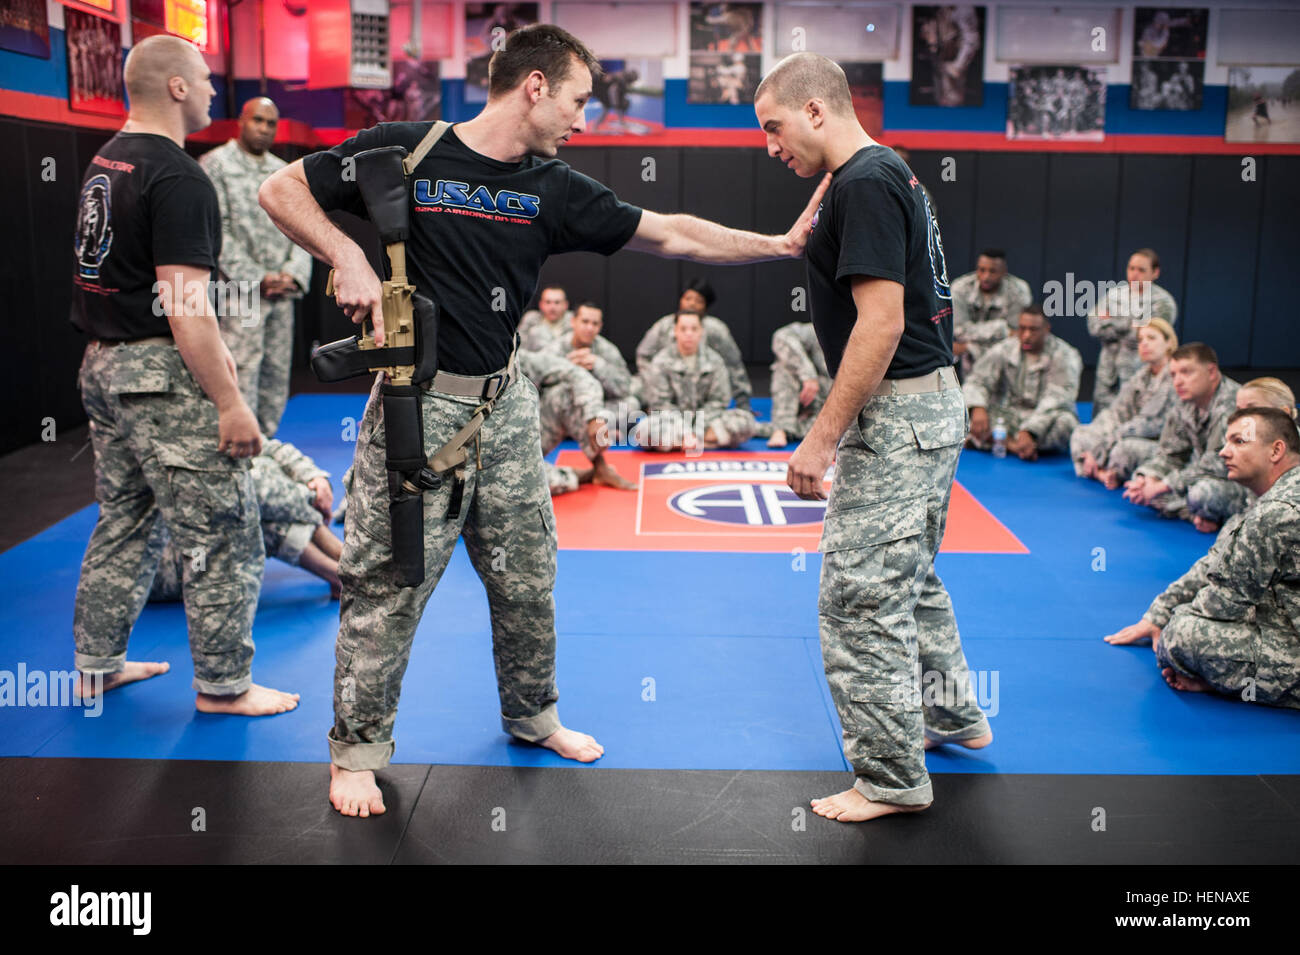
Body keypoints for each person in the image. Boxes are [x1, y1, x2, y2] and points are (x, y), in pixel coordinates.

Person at [259, 23, 827, 817]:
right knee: (387, 582)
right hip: (417, 405)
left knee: (527, 576)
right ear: (535, 86)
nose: (583, 120)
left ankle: (533, 713)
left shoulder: (551, 187)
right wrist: (344, 255)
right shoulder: (406, 150)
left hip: (505, 402)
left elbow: (670, 230)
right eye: (578, 100)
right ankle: (356, 752)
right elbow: (281, 189)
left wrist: (780, 243)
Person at [755, 52, 991, 824]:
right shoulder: (881, 173)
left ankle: (891, 778)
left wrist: (821, 439)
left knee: (859, 597)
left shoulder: (863, 182)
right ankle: (954, 713)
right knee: (911, 578)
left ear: (815, 109)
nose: (770, 146)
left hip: (898, 416)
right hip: (930, 409)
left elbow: (881, 323)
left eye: (774, 127)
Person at [70, 35, 298, 716]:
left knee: (126, 516)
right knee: (224, 527)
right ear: (175, 87)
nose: (210, 90)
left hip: (102, 365)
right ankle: (225, 687)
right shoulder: (178, 175)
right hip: (157, 373)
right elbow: (185, 305)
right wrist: (230, 400)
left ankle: (96, 665)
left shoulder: (107, 162)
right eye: (203, 79)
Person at [1104, 407, 1300, 708]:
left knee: (1181, 636)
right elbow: (1218, 563)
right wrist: (1161, 611)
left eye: (1238, 441)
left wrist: (1173, 618)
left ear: (1276, 450)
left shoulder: (1275, 512)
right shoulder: (1280, 494)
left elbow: (1223, 604)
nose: (1224, 452)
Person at [198, 97, 314, 437]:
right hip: (242, 296)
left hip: (281, 295)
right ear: (241, 121)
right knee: (242, 373)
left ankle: (267, 447)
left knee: (276, 376)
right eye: (257, 120)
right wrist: (257, 278)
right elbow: (216, 231)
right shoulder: (215, 165)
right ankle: (242, 450)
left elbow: (303, 228)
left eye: (270, 123)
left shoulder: (284, 172)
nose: (264, 129)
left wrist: (292, 275)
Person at [149, 438, 341, 601]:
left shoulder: (198, 414)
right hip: (166, 563)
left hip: (201, 534)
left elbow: (266, 446)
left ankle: (341, 572)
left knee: (255, 475)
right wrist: (312, 500)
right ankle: (344, 568)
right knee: (241, 492)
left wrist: (314, 478)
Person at [1125, 343, 1248, 533]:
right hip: (1197, 474)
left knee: (1200, 494)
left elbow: (1216, 466)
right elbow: (1170, 454)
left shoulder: (1232, 405)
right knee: (1144, 478)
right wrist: (1147, 479)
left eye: (1186, 372)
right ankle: (1195, 513)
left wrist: (1164, 485)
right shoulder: (1186, 401)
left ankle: (1196, 511)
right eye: (1173, 374)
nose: (1178, 381)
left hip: (1240, 483)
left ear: (1211, 372)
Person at [963, 305, 1082, 460]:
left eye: (1033, 330)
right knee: (970, 417)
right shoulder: (1005, 348)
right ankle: (1016, 446)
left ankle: (999, 442)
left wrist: (1030, 431)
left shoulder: (1065, 355)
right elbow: (977, 380)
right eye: (1022, 328)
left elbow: (1058, 399)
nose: (1026, 335)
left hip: (1044, 417)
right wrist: (978, 408)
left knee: (1066, 425)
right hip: (1010, 415)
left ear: (1046, 329)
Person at [1072, 317, 1178, 488]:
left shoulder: (1175, 377)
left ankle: (1100, 469)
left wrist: (1103, 446)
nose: (1144, 344)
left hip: (1159, 443)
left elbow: (1148, 425)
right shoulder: (1141, 376)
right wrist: (1098, 435)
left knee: (1123, 450)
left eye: (1151, 338)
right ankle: (1101, 473)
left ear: (1169, 343)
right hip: (1124, 435)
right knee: (1081, 433)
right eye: (1140, 340)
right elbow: (1115, 412)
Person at [517, 346, 637, 493]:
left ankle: (600, 468)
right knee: (524, 484)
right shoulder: (558, 344)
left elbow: (579, 375)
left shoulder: (518, 358)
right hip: (497, 456)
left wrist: (593, 417)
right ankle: (575, 475)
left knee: (565, 394)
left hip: (527, 436)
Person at [636, 310, 757, 451]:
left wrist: (696, 430)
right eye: (683, 329)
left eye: (694, 329)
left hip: (707, 423)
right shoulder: (661, 361)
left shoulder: (715, 361)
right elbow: (661, 404)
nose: (689, 334)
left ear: (701, 332)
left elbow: (719, 401)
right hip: (673, 423)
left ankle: (685, 442)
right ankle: (699, 441)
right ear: (675, 331)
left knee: (746, 422)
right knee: (643, 431)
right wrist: (685, 432)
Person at [635, 278, 753, 413]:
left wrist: (743, 404)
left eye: (698, 301)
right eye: (688, 298)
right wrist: (655, 381)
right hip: (666, 383)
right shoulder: (664, 326)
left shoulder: (716, 330)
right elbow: (644, 355)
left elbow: (734, 365)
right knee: (634, 390)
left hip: (703, 390)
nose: (691, 303)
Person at [1085, 248, 1178, 415]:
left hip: (1138, 373)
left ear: (1155, 273)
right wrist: (1131, 323)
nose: (1135, 274)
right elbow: (1094, 326)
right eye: (1131, 268)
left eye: (1141, 270)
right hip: (1108, 373)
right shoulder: (1114, 295)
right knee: (1101, 420)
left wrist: (1112, 321)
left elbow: (1147, 335)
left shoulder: (1163, 302)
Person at [549, 300, 641, 438]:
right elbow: (540, 385)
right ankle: (596, 433)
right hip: (567, 408)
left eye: (595, 324)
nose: (589, 328)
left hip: (598, 409)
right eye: (585, 322)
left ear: (600, 327)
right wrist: (568, 368)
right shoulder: (556, 348)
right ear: (573, 322)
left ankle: (587, 431)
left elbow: (624, 388)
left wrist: (599, 366)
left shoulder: (607, 350)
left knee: (631, 404)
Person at [949, 249, 1032, 375]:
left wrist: (969, 346)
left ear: (1004, 272)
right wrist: (1001, 329)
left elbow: (1016, 335)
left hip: (1004, 360)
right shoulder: (960, 288)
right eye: (981, 270)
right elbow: (959, 331)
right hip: (966, 362)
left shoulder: (1018, 291)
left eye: (993, 271)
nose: (986, 277)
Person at [766, 320, 831, 448]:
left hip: (838, 409)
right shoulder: (820, 330)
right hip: (810, 396)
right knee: (785, 367)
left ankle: (785, 429)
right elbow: (782, 336)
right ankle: (782, 428)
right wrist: (808, 376)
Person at [518, 285, 572, 351]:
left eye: (557, 302)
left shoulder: (574, 321)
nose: (552, 307)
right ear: (541, 304)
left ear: (566, 305)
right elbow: (519, 345)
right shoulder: (531, 319)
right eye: (548, 302)